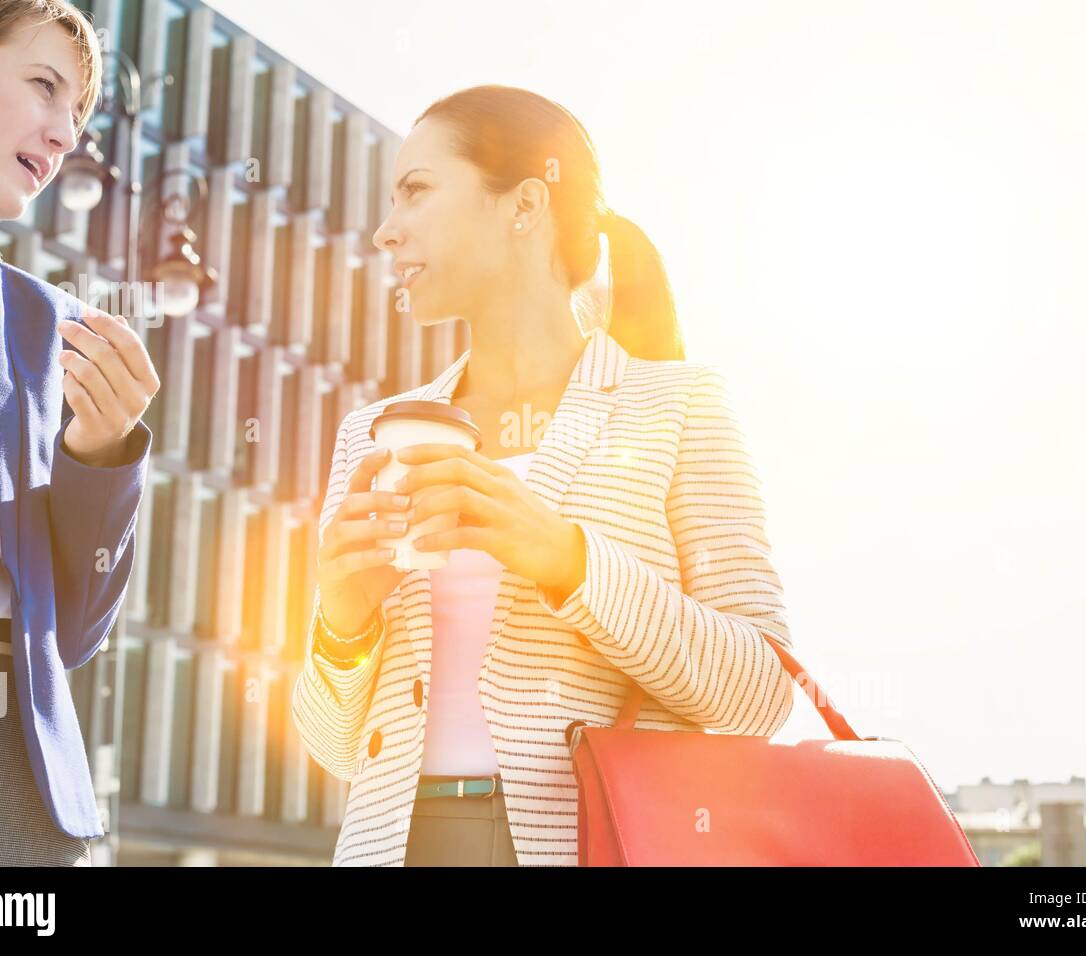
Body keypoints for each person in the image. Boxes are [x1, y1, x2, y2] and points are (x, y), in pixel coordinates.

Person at [291, 84, 795, 867]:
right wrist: (342, 626)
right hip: (394, 845)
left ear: (524, 204)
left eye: (416, 191)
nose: (387, 232)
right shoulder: (374, 432)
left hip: (590, 842)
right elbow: (331, 744)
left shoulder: (680, 404)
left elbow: (759, 691)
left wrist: (569, 559)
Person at [0, 0, 159, 865]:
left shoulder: (53, 332)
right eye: (44, 87)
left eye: (79, 117)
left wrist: (102, 455)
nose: (62, 137)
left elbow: (75, 632)